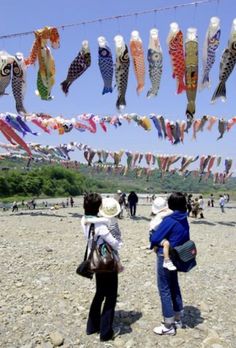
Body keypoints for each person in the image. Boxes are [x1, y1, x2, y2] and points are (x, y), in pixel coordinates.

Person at [81, 193, 121, 342]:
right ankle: (105, 332)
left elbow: (92, 220)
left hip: (96, 262)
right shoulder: (101, 225)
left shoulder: (84, 220)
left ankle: (92, 326)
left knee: (99, 293)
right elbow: (116, 244)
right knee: (111, 296)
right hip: (107, 262)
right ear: (98, 207)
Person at [150, 192, 190, 336]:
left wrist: (161, 242)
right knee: (174, 285)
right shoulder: (184, 218)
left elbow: (155, 237)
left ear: (170, 205)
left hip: (165, 256)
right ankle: (178, 318)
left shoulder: (170, 220)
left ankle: (168, 325)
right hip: (178, 255)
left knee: (164, 288)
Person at [149, 197, 176, 271]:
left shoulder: (158, 215)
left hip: (153, 233)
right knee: (166, 243)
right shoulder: (161, 215)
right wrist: (167, 209)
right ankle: (167, 261)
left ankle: (155, 247)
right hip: (154, 234)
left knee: (158, 246)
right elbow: (171, 212)